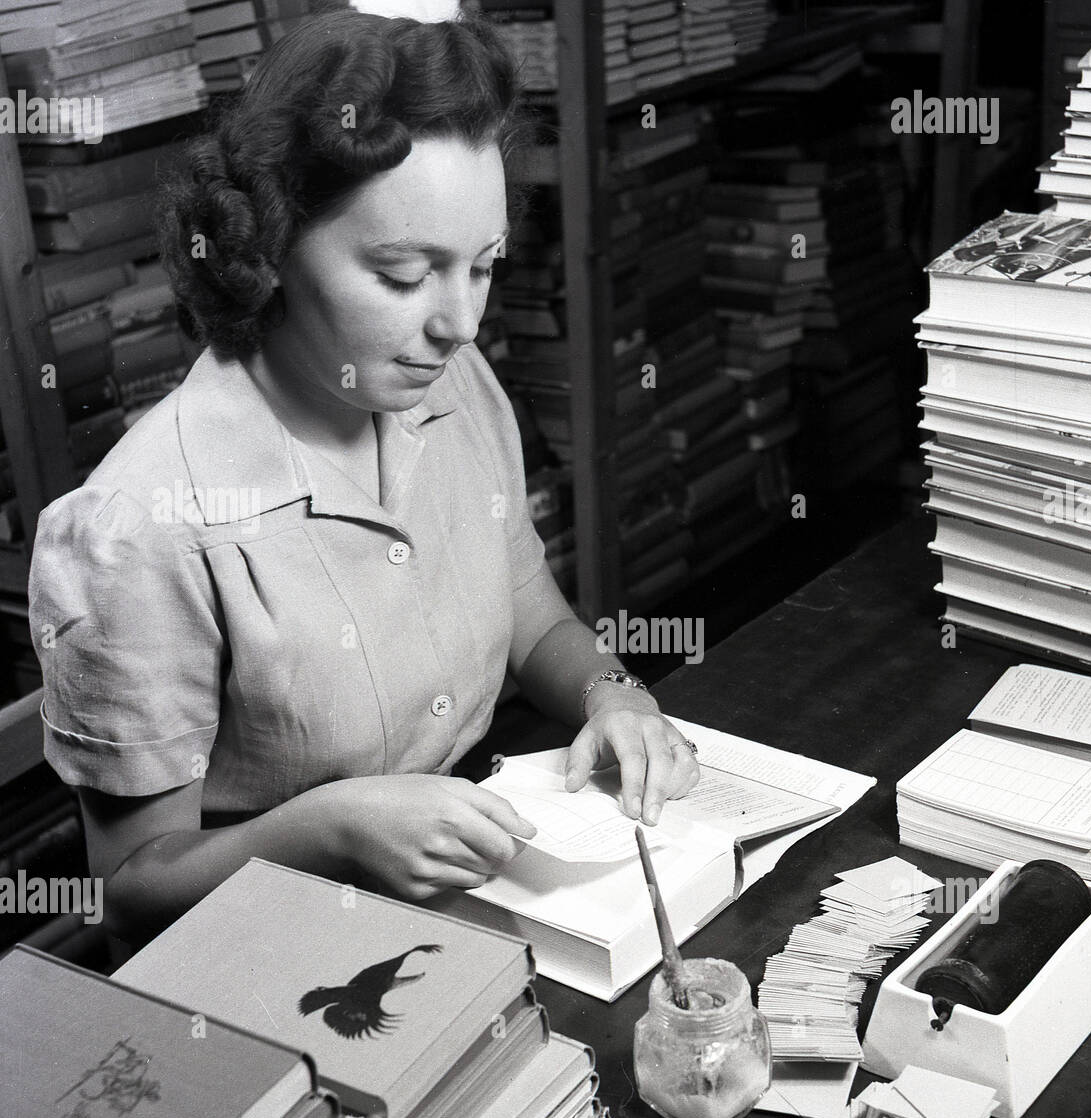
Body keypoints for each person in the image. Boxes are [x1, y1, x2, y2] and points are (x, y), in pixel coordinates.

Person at [28, 11, 700, 953]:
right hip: (268, 954)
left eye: (483, 267)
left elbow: (531, 615)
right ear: (270, 242)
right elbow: (133, 893)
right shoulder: (136, 528)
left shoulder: (452, 383)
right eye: (403, 275)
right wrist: (330, 827)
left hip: (473, 897)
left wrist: (613, 691)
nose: (459, 323)